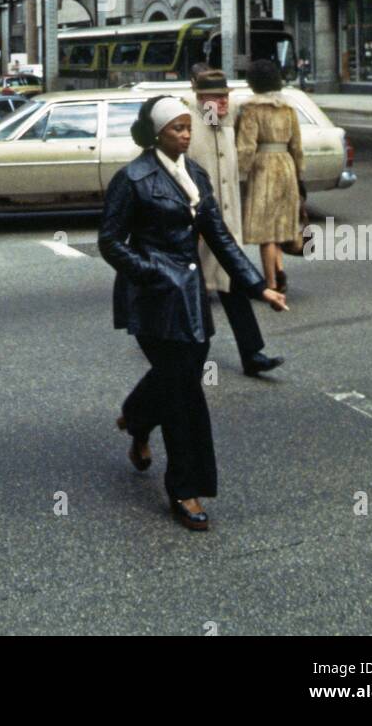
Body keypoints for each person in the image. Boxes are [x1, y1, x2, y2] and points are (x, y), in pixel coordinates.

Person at [99, 96, 288, 532]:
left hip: (190, 301)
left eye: (188, 128)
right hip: (151, 300)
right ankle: (184, 489)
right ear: (156, 133)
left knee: (176, 378)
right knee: (185, 393)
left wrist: (259, 286)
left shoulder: (195, 175)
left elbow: (219, 238)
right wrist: (151, 272)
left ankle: (137, 418)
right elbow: (110, 242)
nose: (185, 135)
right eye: (176, 129)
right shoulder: (132, 178)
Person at [182, 66, 284, 379]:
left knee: (234, 288)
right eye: (216, 97)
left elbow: (264, 99)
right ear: (200, 98)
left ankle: (252, 354)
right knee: (191, 293)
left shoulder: (224, 124)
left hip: (225, 228)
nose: (224, 102)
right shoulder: (186, 127)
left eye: (226, 96)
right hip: (195, 229)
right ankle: (184, 357)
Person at [235, 59, 306, 294]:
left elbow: (246, 147)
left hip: (263, 167)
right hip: (285, 165)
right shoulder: (288, 109)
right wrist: (298, 173)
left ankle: (272, 284)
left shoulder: (251, 110)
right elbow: (297, 145)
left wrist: (240, 173)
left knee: (266, 231)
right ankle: (279, 269)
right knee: (279, 224)